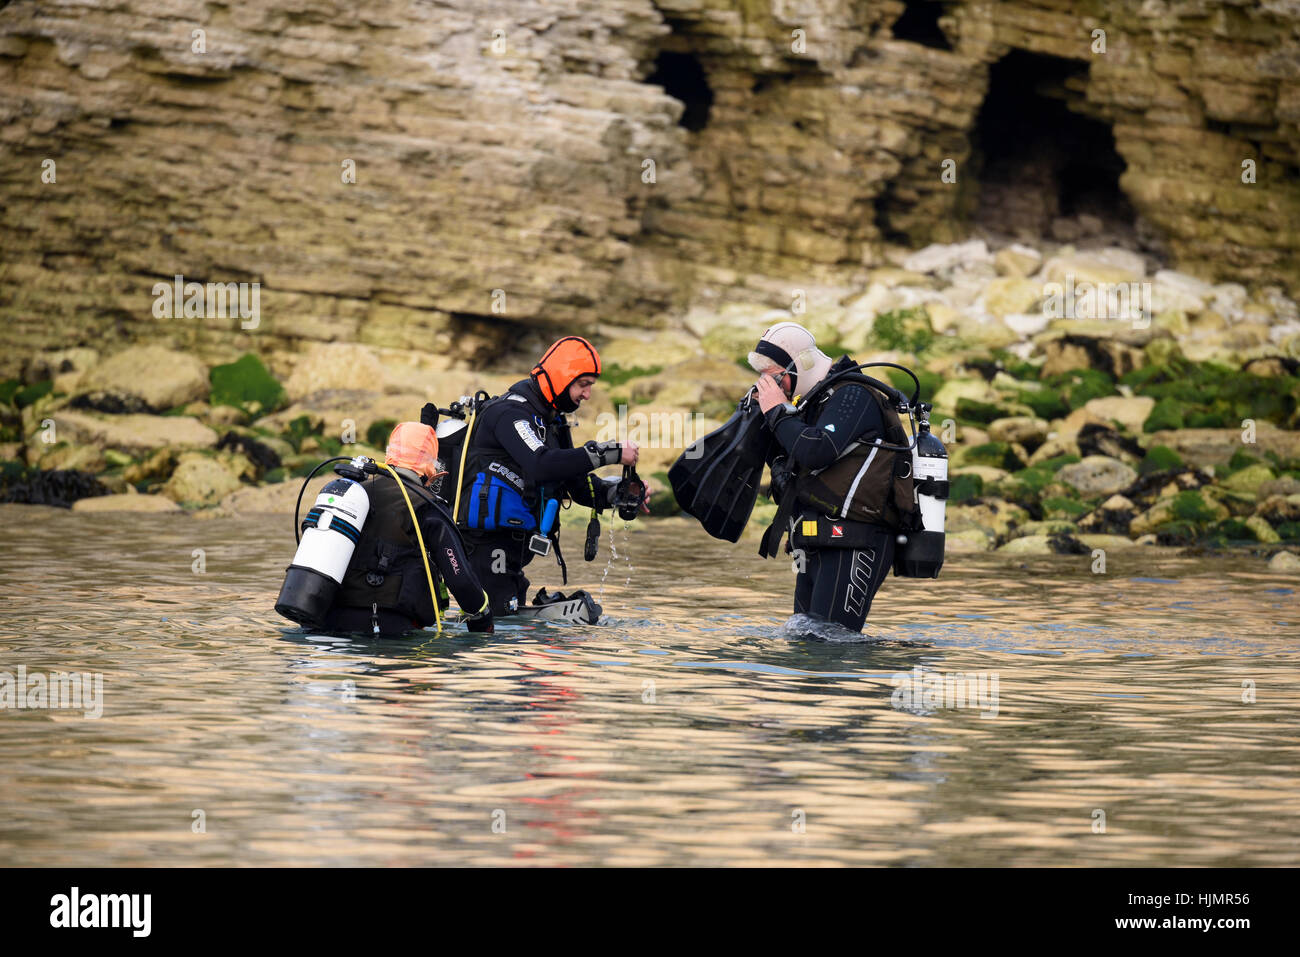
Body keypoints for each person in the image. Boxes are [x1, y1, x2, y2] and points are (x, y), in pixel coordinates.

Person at [452, 336, 648, 615]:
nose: (588, 394)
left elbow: (577, 486)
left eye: (591, 386)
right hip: (484, 544)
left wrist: (620, 494)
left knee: (511, 628)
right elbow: (540, 464)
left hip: (514, 549)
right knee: (494, 635)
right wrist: (610, 452)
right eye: (583, 384)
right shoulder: (509, 414)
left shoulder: (553, 423)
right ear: (559, 378)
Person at [750, 321, 918, 634]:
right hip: (816, 538)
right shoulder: (811, 404)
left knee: (831, 643)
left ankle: (901, 663)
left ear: (800, 364)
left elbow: (817, 451)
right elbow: (793, 458)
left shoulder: (853, 395)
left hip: (858, 540)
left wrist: (775, 411)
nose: (772, 385)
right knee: (805, 640)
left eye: (775, 376)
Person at [319, 421, 494, 636]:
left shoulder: (356, 492)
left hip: (327, 621)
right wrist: (483, 620)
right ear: (432, 463)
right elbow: (461, 580)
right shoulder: (427, 505)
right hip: (385, 628)